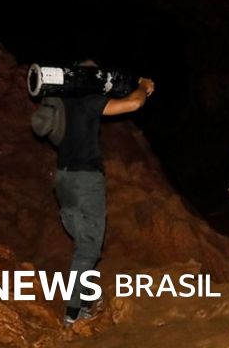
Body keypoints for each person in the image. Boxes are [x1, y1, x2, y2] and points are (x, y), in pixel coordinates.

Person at [32, 61, 154, 326]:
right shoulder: (87, 100)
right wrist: (143, 87)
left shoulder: (59, 100)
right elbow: (133, 105)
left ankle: (85, 297)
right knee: (88, 247)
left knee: (84, 242)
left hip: (63, 179)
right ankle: (73, 313)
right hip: (86, 181)